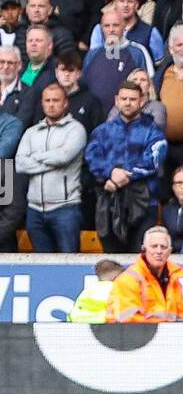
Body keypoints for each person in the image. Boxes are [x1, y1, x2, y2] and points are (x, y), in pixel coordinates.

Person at [85, 80, 167, 253]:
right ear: (116, 100)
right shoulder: (102, 131)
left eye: (132, 99)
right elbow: (92, 158)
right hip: (109, 202)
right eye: (124, 98)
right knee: (112, 260)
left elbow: (154, 159)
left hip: (144, 203)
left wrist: (125, 175)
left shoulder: (153, 130)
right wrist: (111, 172)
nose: (128, 102)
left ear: (141, 100)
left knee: (142, 258)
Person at [15, 82, 87, 253]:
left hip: (65, 208)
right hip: (35, 209)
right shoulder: (31, 132)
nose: (51, 104)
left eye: (56, 100)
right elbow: (20, 164)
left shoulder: (76, 129)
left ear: (65, 103)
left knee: (69, 263)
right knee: (42, 267)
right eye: (47, 100)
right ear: (42, 103)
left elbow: (64, 156)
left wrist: (35, 157)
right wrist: (52, 160)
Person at [105, 227, 183, 322]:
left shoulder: (179, 277)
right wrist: (165, 326)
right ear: (143, 249)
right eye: (154, 246)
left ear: (170, 251)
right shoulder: (128, 280)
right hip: (135, 335)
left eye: (163, 247)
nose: (159, 251)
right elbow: (128, 320)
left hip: (174, 335)